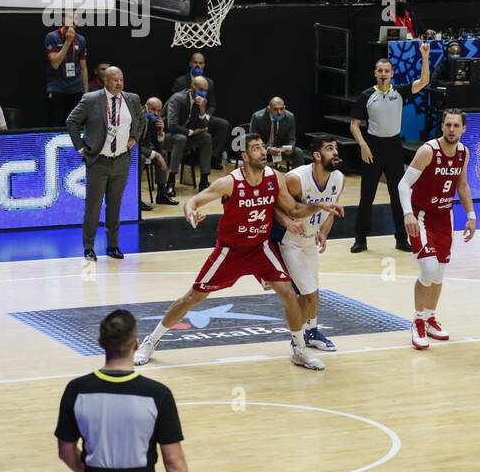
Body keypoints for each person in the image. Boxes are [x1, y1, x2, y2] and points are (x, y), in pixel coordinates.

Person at [134, 134, 343, 370]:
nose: (263, 151)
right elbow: (193, 201)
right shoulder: (229, 182)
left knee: (287, 293)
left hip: (260, 249)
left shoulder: (275, 177)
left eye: (263, 147)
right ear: (244, 156)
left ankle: (299, 350)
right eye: (256, 148)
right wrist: (191, 212)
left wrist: (318, 205)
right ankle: (151, 342)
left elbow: (294, 207)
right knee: (193, 298)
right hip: (230, 251)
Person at [55, 309, 193, 472]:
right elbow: (173, 460)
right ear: (135, 344)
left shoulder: (77, 390)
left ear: (100, 342)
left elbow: (65, 452)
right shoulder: (157, 395)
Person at [399, 108, 476, 349]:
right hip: (420, 216)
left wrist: (471, 215)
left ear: (463, 129)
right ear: (442, 126)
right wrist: (408, 214)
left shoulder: (464, 153)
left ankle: (431, 317)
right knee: (429, 269)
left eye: (456, 126)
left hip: (445, 217)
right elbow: (403, 185)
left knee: (439, 273)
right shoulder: (427, 151)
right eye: (448, 125)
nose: (452, 129)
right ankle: (417, 321)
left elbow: (462, 185)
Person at [348, 44, 431, 253]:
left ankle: (401, 238)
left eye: (387, 70)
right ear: (375, 74)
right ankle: (361, 238)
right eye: (380, 70)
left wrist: (425, 56)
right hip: (372, 146)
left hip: (393, 146)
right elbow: (354, 124)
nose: (383, 73)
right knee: (367, 195)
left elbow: (424, 81)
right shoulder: (367, 95)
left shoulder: (400, 91)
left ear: (392, 73)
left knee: (398, 194)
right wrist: (363, 145)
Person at [272, 136, 346, 352]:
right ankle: (297, 338)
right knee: (308, 292)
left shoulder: (339, 178)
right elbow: (274, 206)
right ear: (316, 155)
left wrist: (323, 232)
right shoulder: (296, 179)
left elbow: (331, 209)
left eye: (336, 149)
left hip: (310, 241)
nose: (335, 153)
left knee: (313, 290)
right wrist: (286, 221)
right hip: (289, 241)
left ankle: (311, 332)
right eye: (330, 149)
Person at [66, 66, 146, 262]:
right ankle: (89, 247)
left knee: (115, 205)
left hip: (121, 160)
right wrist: (81, 148)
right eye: (115, 79)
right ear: (105, 81)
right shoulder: (91, 99)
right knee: (93, 206)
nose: (119, 82)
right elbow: (71, 122)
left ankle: (112, 245)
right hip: (98, 162)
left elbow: (141, 120)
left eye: (121, 78)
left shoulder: (132, 99)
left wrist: (134, 137)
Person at [170, 52, 231, 167]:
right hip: (185, 117)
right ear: (190, 64)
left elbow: (212, 105)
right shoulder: (180, 81)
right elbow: (174, 105)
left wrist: (205, 116)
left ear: (204, 65)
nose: (198, 65)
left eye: (200, 63)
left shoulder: (209, 82)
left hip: (202, 115)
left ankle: (211, 157)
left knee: (223, 124)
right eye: (195, 62)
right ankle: (187, 156)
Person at [163, 75, 216, 193]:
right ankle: (170, 182)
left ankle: (204, 180)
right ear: (193, 87)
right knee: (181, 138)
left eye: (206, 91)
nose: (203, 93)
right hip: (166, 136)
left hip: (186, 137)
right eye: (201, 90)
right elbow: (172, 125)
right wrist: (191, 132)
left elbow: (203, 127)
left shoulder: (203, 101)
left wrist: (202, 110)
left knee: (206, 137)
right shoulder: (177, 99)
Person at [44, 14, 89, 125]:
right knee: (56, 125)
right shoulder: (52, 37)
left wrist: (87, 94)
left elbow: (83, 68)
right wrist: (68, 42)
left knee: (76, 125)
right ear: (63, 19)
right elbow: (55, 63)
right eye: (70, 17)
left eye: (76, 18)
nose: (74, 20)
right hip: (57, 88)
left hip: (76, 89)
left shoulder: (81, 39)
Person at [139, 96, 177, 207]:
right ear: (145, 107)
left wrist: (160, 132)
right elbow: (135, 145)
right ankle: (135, 198)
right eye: (153, 109)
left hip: (145, 149)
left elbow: (158, 145)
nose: (156, 113)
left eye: (159, 111)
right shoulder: (139, 117)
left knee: (163, 152)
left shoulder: (155, 119)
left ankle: (161, 194)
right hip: (133, 151)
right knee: (140, 158)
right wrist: (155, 155)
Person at [250, 97, 305, 170]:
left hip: (280, 150)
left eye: (282, 109)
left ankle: (296, 177)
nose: (279, 112)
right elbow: (254, 139)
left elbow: (291, 138)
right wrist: (267, 149)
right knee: (252, 151)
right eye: (275, 109)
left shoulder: (290, 117)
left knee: (298, 152)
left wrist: (290, 147)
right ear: (269, 108)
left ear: (284, 107)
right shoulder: (257, 117)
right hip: (263, 149)